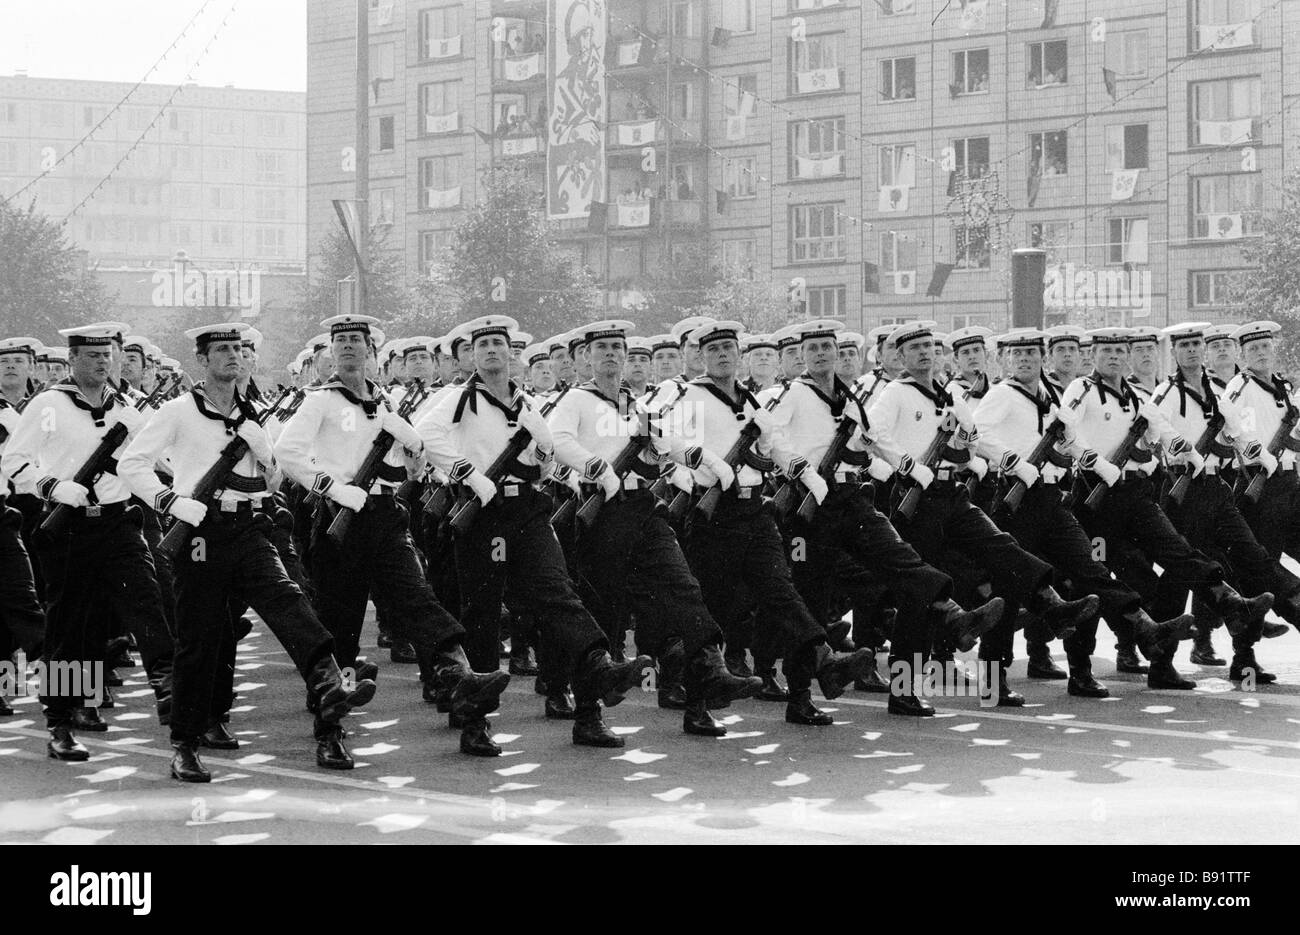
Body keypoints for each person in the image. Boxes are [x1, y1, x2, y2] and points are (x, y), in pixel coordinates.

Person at [118, 322, 378, 781]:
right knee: (199, 640)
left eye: (238, 349)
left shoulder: (253, 415)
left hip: (250, 529)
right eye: (221, 350)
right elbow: (132, 463)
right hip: (199, 534)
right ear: (202, 360)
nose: (232, 357)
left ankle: (329, 688)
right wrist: (169, 500)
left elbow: (273, 478)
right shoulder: (179, 411)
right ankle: (186, 743)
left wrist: (265, 460)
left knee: (291, 603)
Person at [275, 314, 511, 757]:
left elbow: (410, 464)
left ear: (372, 353)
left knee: (418, 599)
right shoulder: (321, 401)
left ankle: (457, 675)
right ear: (330, 352)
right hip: (339, 518)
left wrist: (414, 453)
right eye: (340, 341)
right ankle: (331, 731)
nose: (347, 348)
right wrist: (331, 486)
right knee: (341, 627)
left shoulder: (384, 405)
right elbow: (287, 451)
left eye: (356, 341)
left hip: (384, 515)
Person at [415, 315, 653, 750]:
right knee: (483, 613)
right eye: (482, 344)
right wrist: (465, 471)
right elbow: (424, 435)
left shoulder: (526, 403)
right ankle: (475, 721)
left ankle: (597, 667)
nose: (491, 351)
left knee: (558, 594)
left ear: (511, 354)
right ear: (473, 354)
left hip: (528, 509)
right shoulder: (458, 399)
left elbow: (545, 457)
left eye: (498, 344)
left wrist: (544, 459)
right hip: (483, 511)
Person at [769, 319, 1005, 716]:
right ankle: (799, 697)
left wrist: (898, 462)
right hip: (811, 502)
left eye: (829, 347)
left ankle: (950, 617)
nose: (823, 354)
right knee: (812, 597)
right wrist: (800, 469)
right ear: (799, 357)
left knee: (905, 562)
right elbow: (769, 436)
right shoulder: (794, 394)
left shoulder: (850, 398)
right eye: (814, 349)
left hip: (853, 497)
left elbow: (871, 444)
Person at [867, 321, 1100, 705]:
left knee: (1000, 546)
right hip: (914, 495)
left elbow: (971, 440)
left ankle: (1050, 603)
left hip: (951, 492)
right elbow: (873, 434)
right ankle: (903, 690)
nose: (925, 353)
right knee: (918, 594)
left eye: (930, 347)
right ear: (902, 357)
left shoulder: (947, 394)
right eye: (916, 349)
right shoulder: (896, 393)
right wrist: (907, 464)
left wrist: (961, 440)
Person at [549, 320, 762, 737]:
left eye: (618, 348)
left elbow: (670, 442)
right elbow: (556, 440)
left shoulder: (636, 404)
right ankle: (588, 717)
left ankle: (708, 684)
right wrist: (596, 468)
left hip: (643, 508)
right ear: (586, 358)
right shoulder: (576, 399)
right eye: (603, 348)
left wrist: (711, 462)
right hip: (600, 510)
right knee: (604, 611)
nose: (611, 355)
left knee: (684, 590)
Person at [667, 320, 879, 726]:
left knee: (782, 592)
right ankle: (696, 706)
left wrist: (811, 479)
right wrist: (704, 460)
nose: (723, 355)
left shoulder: (750, 400)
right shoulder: (691, 396)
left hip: (755, 512)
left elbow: (778, 445)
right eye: (714, 351)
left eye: (730, 348)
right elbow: (662, 436)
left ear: (739, 355)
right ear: (700, 357)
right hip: (715, 514)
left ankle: (822, 662)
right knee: (713, 607)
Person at [975, 329, 1196, 697]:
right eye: (1017, 355)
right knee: (1010, 588)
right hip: (1015, 498)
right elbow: (974, 432)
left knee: (1091, 572)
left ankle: (1134, 631)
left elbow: (1068, 439)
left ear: (1041, 359)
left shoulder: (1048, 395)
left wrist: (1094, 462)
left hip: (1050, 498)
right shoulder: (1001, 395)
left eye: (1031, 353)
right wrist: (1010, 460)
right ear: (1004, 362)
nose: (1026, 360)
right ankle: (993, 680)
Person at [1059, 327, 1273, 689]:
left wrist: (1188, 451)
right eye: (1106, 351)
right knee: (1091, 583)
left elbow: (1163, 430)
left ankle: (1227, 603)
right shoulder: (1081, 389)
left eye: (1119, 352)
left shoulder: (1135, 395)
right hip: (1095, 495)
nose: (1113, 357)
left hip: (1137, 493)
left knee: (1177, 552)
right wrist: (1096, 462)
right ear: (1092, 356)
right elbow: (1064, 431)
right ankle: (1080, 671)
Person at [2, 323, 173, 761]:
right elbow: (15, 462)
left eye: (107, 356)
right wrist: (51, 486)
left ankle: (169, 683)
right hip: (69, 525)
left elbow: (156, 460)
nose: (102, 363)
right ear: (73, 360)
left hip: (117, 523)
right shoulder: (48, 404)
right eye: (92, 356)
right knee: (71, 621)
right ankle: (63, 717)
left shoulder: (127, 409)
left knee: (145, 598)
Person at [1154, 322, 1295, 681]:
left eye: (1196, 345)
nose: (1192, 351)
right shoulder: (1174, 392)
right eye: (1184, 346)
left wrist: (1255, 450)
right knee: (1180, 576)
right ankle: (1163, 661)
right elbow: (1152, 422)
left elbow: (1236, 430)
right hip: (1189, 489)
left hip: (1221, 487)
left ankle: (1245, 653)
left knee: (1253, 559)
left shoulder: (1234, 392)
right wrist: (1180, 447)